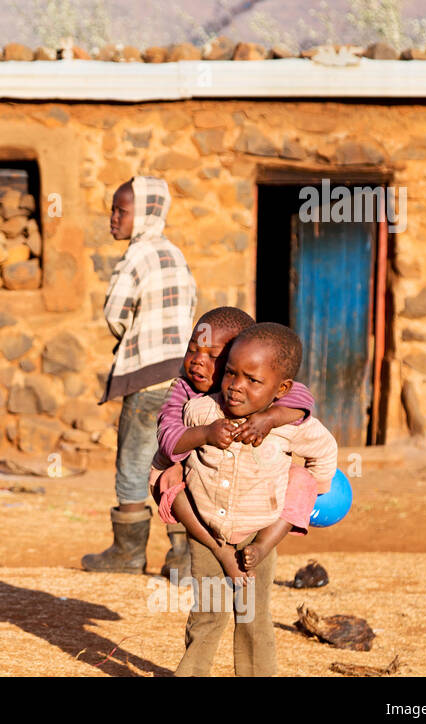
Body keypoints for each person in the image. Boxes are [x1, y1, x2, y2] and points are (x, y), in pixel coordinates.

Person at [174, 323, 338, 677]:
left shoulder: (290, 427)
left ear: (282, 389)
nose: (236, 386)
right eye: (231, 373)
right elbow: (176, 443)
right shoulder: (202, 412)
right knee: (208, 614)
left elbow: (325, 451)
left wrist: (312, 490)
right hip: (207, 532)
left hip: (258, 535)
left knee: (252, 616)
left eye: (253, 380)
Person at [148, 306, 318, 579]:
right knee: (170, 477)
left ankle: (263, 544)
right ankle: (218, 550)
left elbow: (303, 398)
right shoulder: (181, 390)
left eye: (213, 356)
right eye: (192, 350)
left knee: (299, 479)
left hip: (246, 489)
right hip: (196, 485)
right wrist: (205, 434)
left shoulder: (246, 382)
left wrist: (269, 418)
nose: (197, 361)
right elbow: (167, 440)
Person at [84, 176, 198, 575]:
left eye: (122, 211)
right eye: (113, 210)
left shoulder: (136, 256)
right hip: (182, 378)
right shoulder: (175, 254)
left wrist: (129, 337)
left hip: (147, 375)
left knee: (133, 462)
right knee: (175, 458)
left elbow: (115, 313)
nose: (113, 218)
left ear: (146, 213)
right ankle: (182, 556)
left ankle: (128, 553)